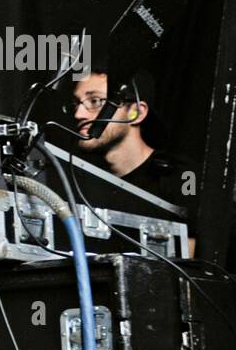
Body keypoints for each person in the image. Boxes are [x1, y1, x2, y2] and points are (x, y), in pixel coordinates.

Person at [68, 70, 198, 253]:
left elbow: (188, 266)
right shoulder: (80, 179)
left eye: (95, 101)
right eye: (76, 104)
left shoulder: (184, 175)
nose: (79, 114)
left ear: (136, 112)